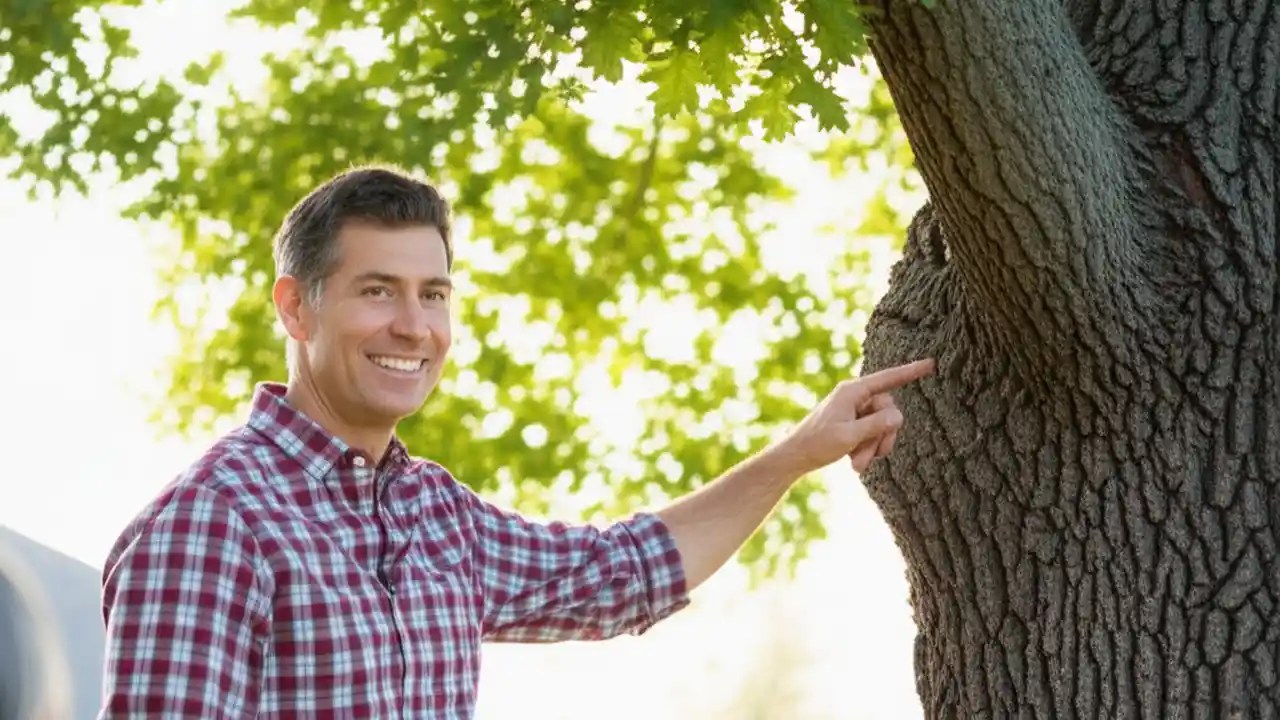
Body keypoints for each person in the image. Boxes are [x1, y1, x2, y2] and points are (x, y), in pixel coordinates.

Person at [98, 166, 934, 717]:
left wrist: (799, 451)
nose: (413, 327)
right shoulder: (211, 526)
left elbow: (623, 574)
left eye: (434, 295)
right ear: (295, 307)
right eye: (378, 291)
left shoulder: (435, 515)